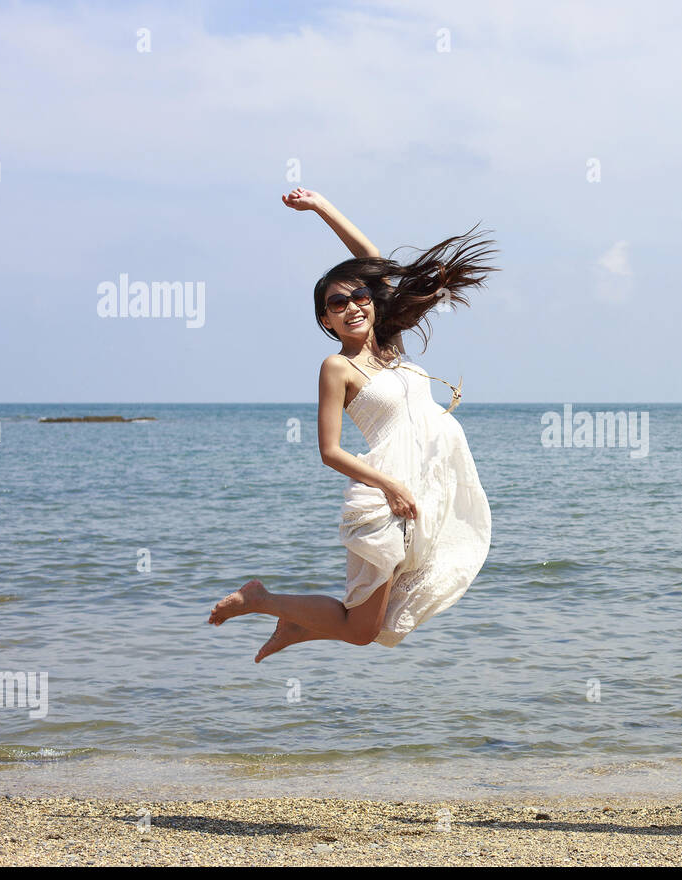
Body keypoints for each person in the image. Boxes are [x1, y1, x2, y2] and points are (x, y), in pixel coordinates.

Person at [208, 188, 495, 662]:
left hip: (422, 489)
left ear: (373, 301)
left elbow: (371, 258)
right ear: (326, 319)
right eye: (337, 304)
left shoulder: (389, 346)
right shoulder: (336, 367)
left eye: (359, 295)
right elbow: (330, 452)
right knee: (364, 629)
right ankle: (262, 601)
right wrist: (390, 487)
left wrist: (321, 206)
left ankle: (293, 625)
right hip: (386, 495)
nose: (353, 306)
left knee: (367, 627)